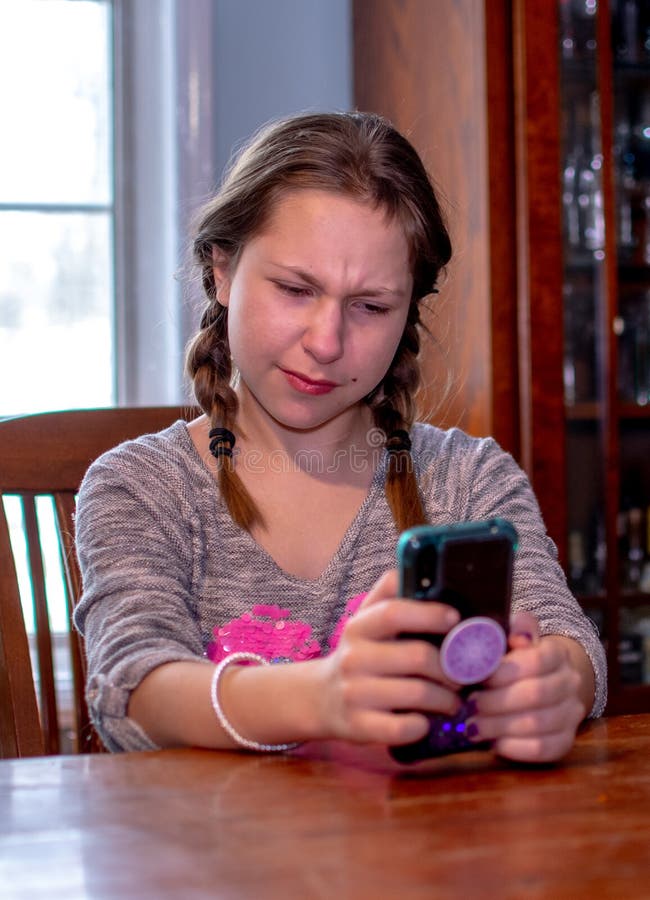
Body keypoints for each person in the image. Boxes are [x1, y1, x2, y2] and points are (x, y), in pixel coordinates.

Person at [74, 111, 606, 763]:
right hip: (213, 832)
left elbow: (570, 645)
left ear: (409, 312)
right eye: (295, 289)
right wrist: (323, 697)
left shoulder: (468, 479)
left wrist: (556, 686)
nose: (326, 343)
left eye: (371, 307)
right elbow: (134, 692)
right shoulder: (140, 487)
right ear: (222, 269)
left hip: (423, 829)